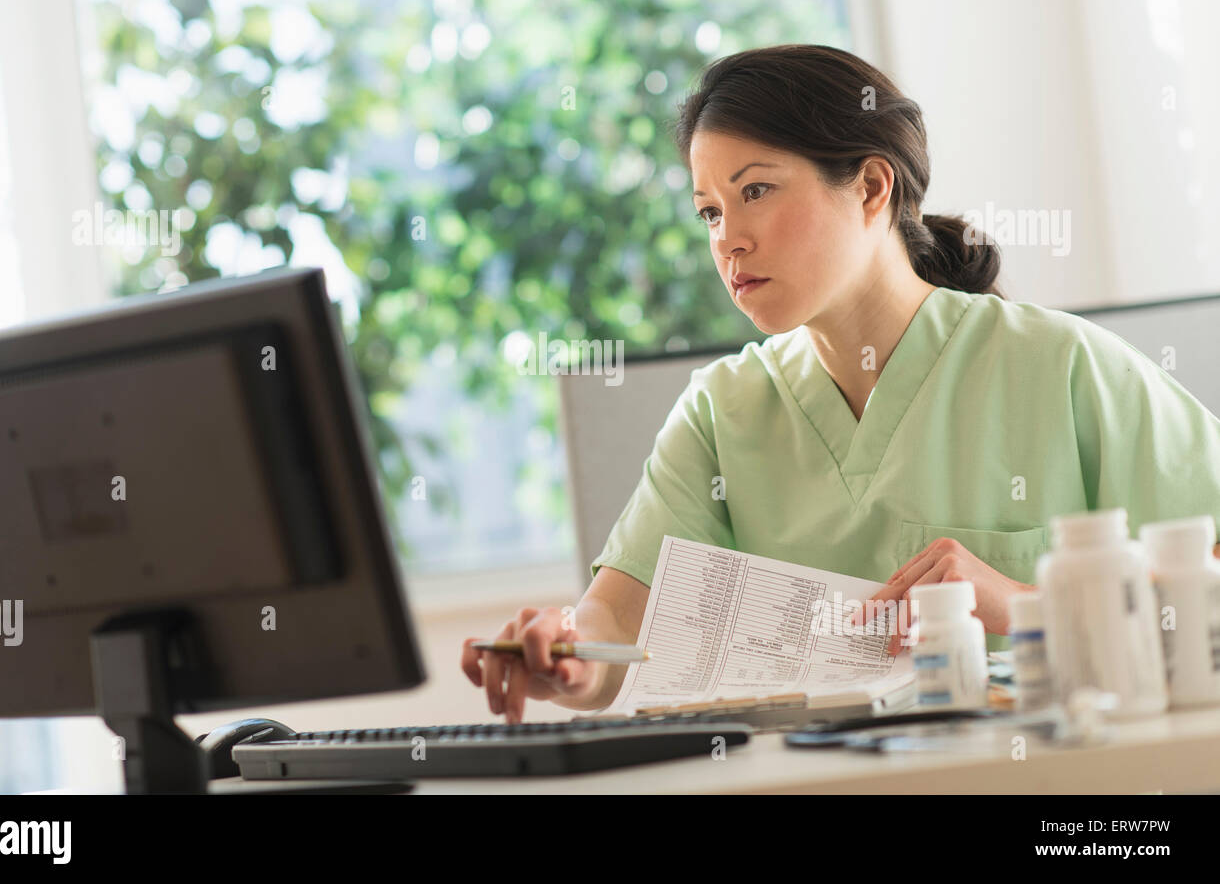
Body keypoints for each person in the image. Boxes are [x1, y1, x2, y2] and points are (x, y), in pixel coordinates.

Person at [461, 43, 1220, 723]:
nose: (729, 238)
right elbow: (618, 626)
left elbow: (1199, 608)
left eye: (755, 191)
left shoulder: (1064, 367)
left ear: (870, 188)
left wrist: (1019, 606)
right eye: (708, 212)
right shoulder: (722, 414)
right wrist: (560, 653)